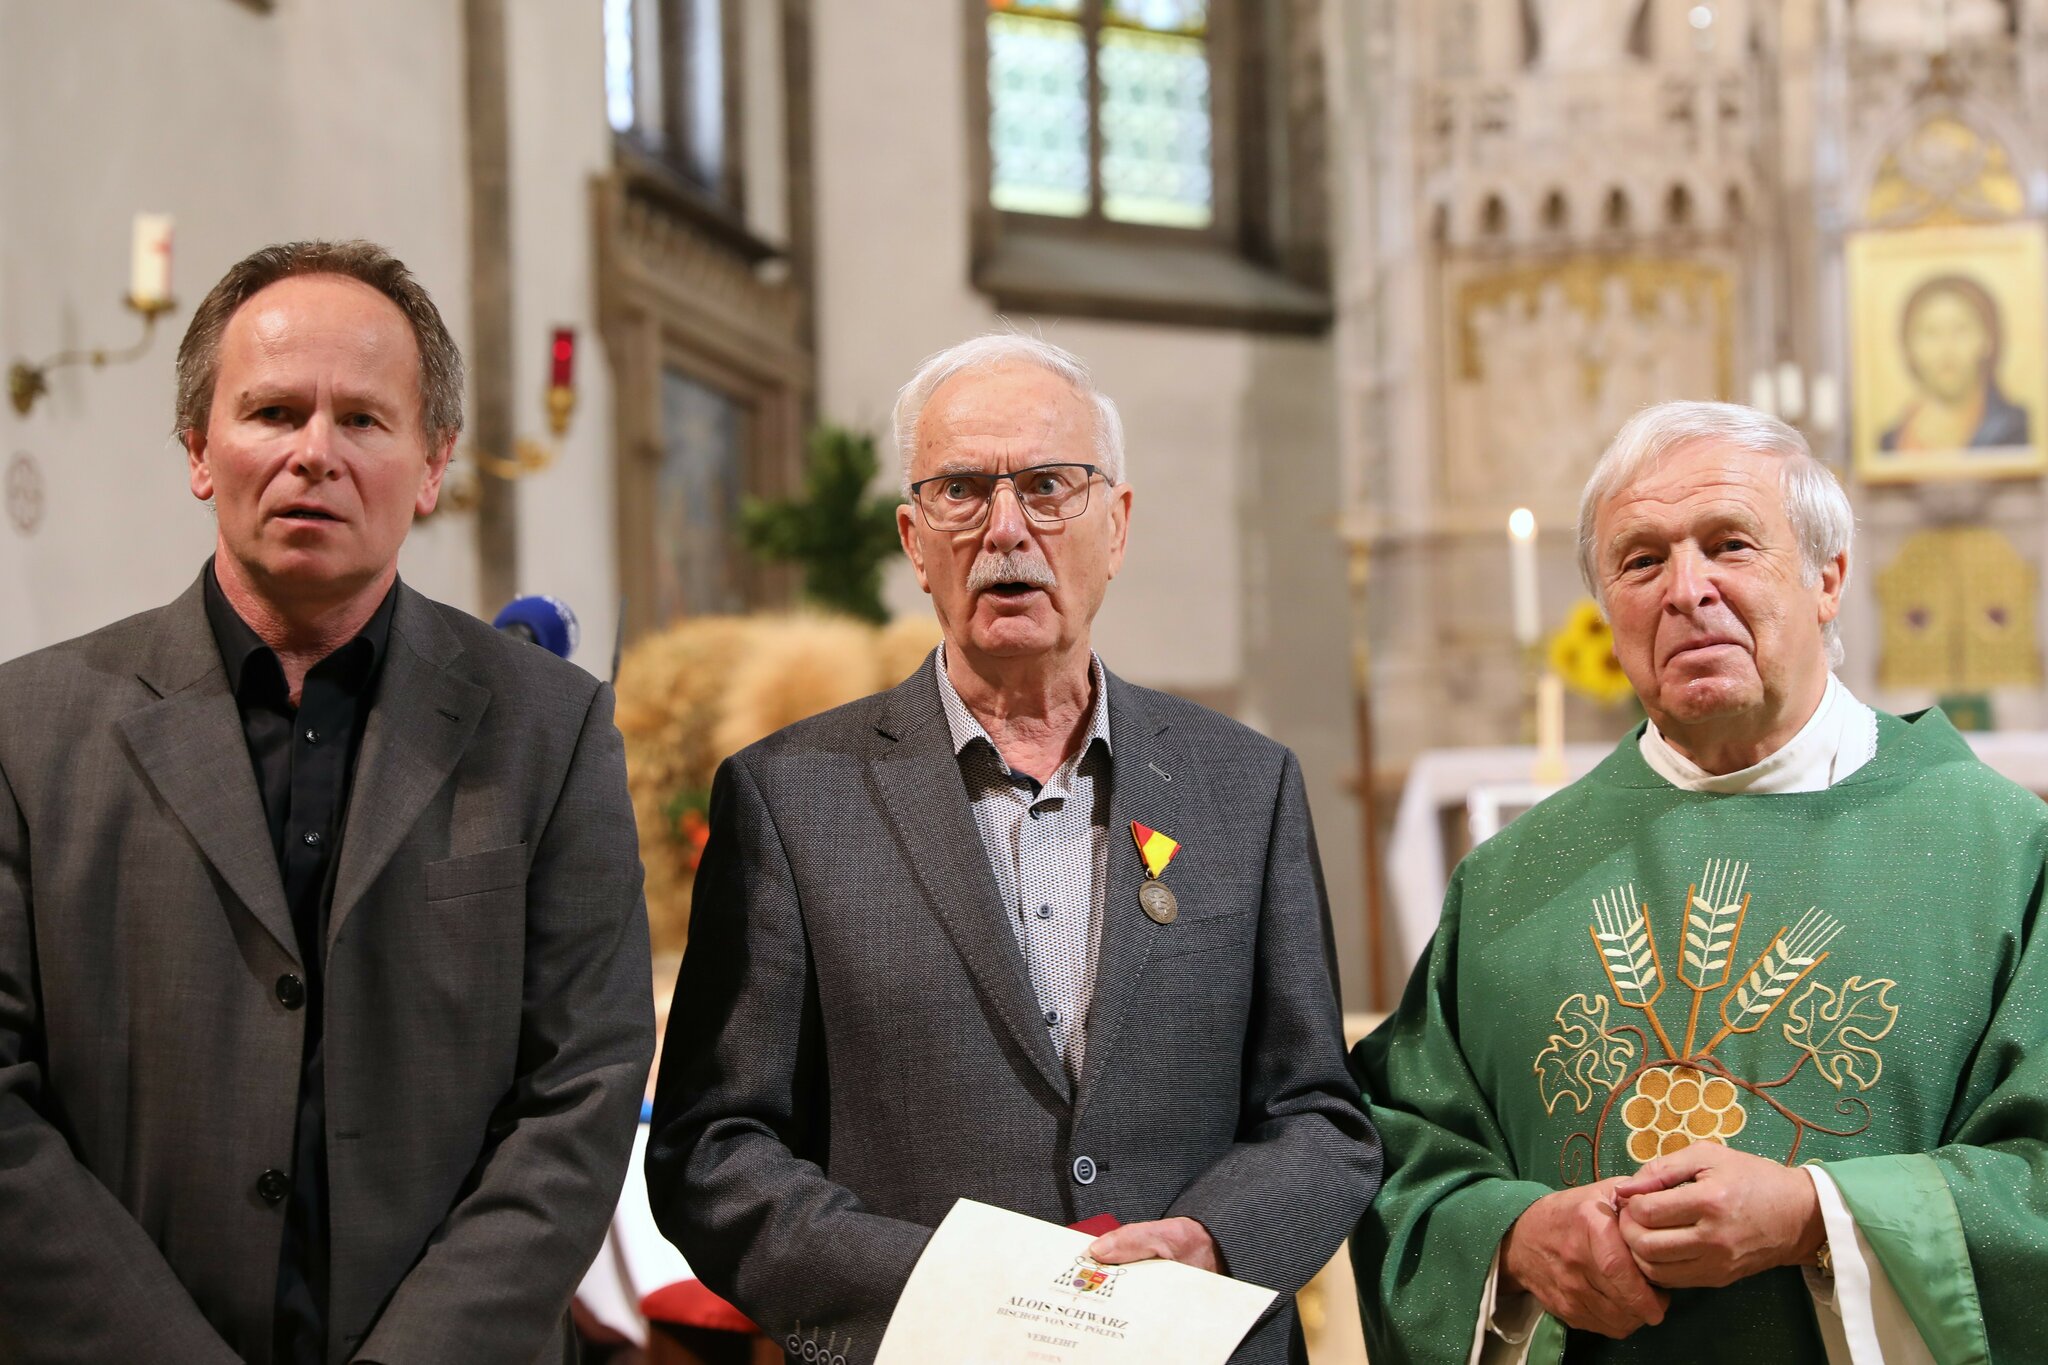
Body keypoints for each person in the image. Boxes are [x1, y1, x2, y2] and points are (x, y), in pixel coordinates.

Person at [646, 333, 1380, 1365]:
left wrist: (1213, 1240)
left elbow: (1316, 1113)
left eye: (1048, 486)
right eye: (959, 490)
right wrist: (952, 1300)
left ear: (1116, 525)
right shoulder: (790, 798)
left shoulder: (1242, 786)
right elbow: (713, 1153)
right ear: (912, 537)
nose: (1004, 530)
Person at [0, 240, 654, 1363]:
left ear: (434, 463)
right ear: (199, 450)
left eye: (363, 420)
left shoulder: (550, 731)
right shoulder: (28, 731)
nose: (315, 453)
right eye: (270, 413)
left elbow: (580, 1092)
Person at [1352, 400, 2047, 1363]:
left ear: (1828, 578)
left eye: (1729, 544)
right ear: (1608, 609)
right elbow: (1402, 1160)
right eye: (1642, 561)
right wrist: (1511, 1238)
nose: (1688, 590)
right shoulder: (1512, 878)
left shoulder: (2006, 850)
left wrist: (1820, 1215)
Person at [1878, 273, 2030, 453]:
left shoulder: (2014, 429)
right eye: (1931, 333)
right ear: (1909, 346)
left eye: (1961, 330)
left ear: (1987, 339)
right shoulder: (1891, 442)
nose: (1946, 350)